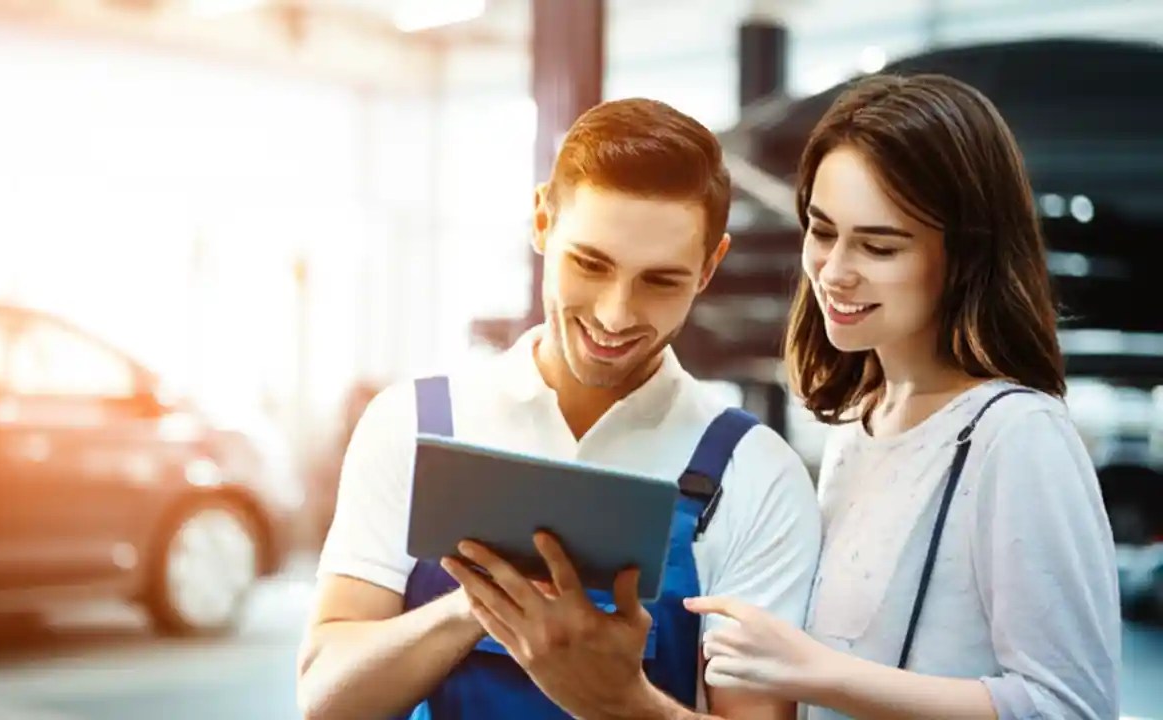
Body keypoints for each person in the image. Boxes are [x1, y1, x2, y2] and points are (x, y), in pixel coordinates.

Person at [296, 97, 822, 720]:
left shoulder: (755, 476)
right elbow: (325, 701)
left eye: (660, 281)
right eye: (589, 264)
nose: (614, 315)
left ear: (709, 267)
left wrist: (622, 703)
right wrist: (485, 605)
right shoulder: (412, 426)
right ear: (542, 221)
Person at [687, 74, 1121, 719]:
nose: (835, 271)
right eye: (822, 231)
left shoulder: (1017, 436)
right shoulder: (858, 426)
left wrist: (815, 672)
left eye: (879, 246)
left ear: (967, 257)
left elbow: (1071, 708)